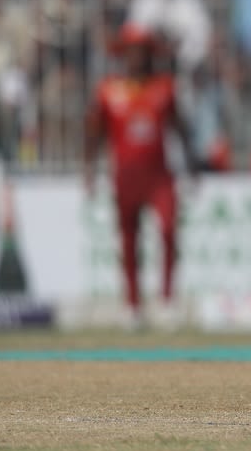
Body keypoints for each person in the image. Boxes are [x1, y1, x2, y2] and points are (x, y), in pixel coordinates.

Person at [84, 24, 197, 329]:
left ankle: (167, 301)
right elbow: (94, 133)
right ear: (123, 55)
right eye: (132, 51)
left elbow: (181, 129)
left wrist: (192, 167)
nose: (138, 58)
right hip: (125, 178)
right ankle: (132, 305)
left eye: (143, 51)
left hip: (160, 177)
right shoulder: (108, 91)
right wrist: (89, 170)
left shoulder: (164, 88)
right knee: (128, 241)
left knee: (169, 230)